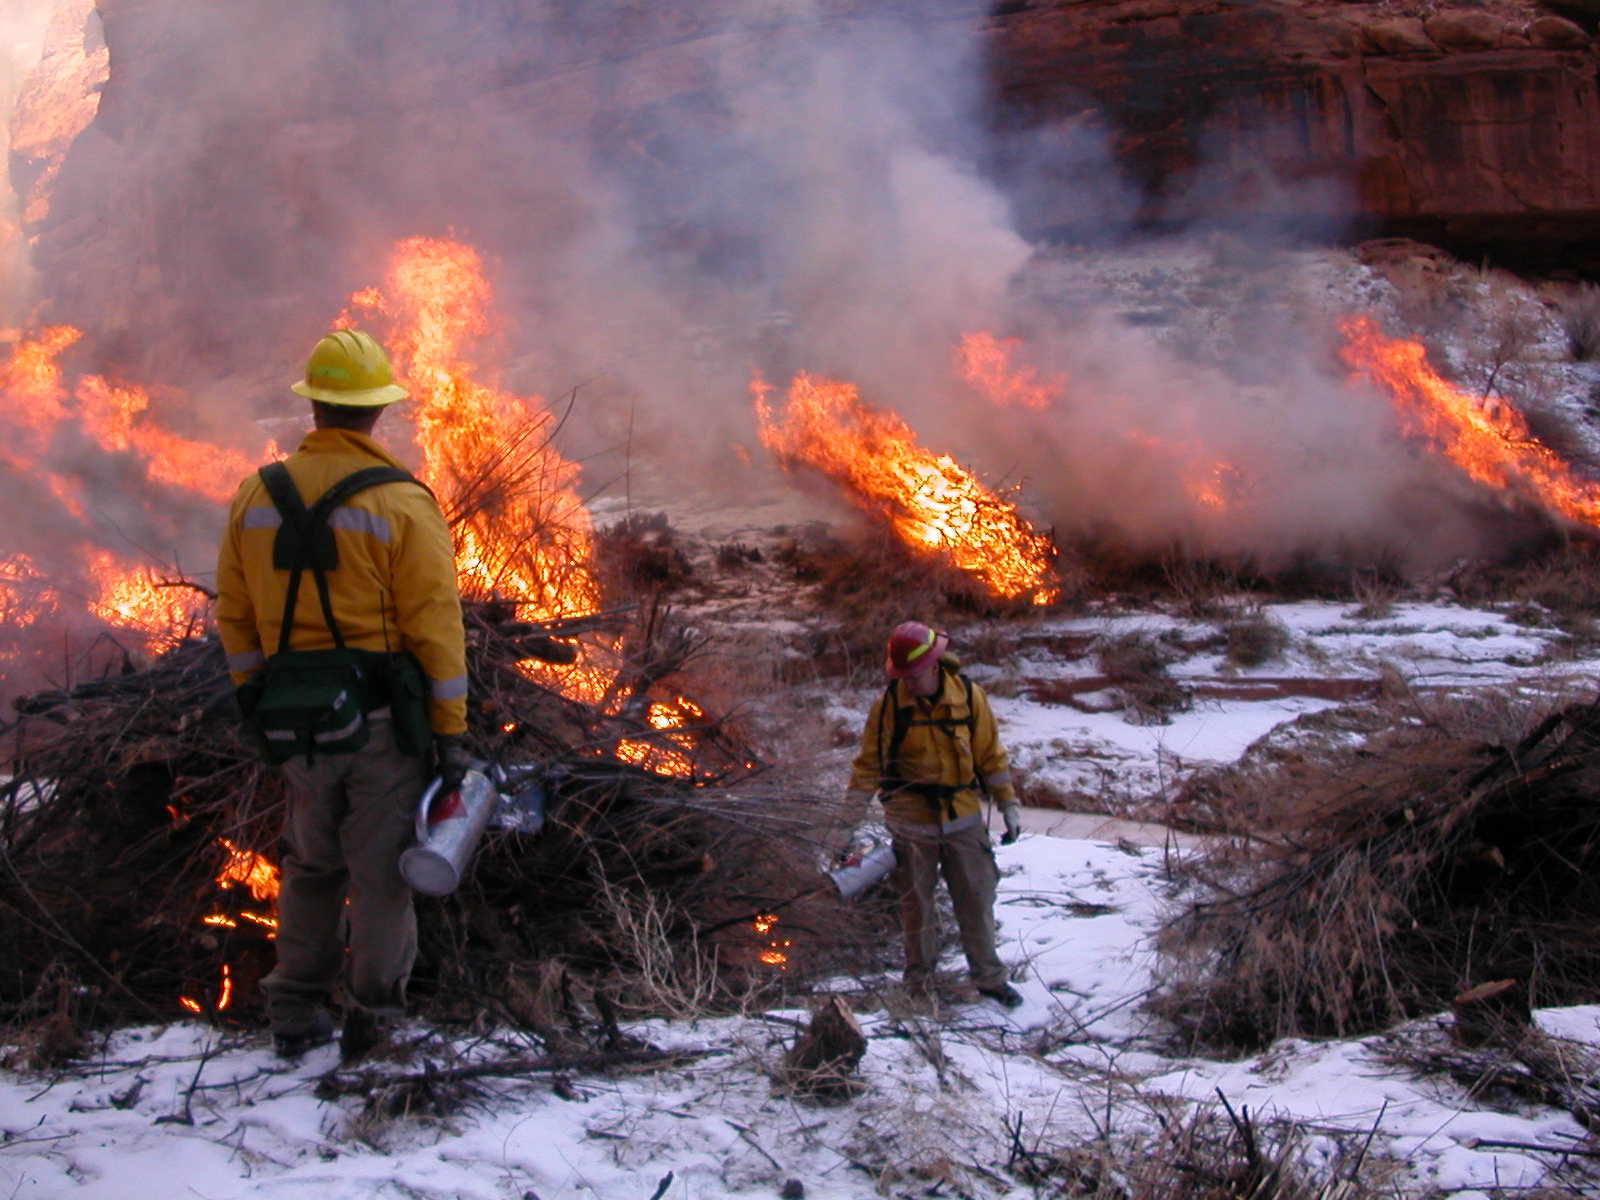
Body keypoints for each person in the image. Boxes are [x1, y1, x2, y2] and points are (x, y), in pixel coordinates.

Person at [215, 329, 471, 1060]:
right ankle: (373, 1020)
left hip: (294, 725)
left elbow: (233, 615)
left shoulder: (253, 495)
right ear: (376, 413)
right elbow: (435, 629)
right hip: (382, 730)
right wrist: (449, 730)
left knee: (310, 864)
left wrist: (252, 700)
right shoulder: (399, 502)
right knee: (384, 875)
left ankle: (293, 1010)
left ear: (316, 408)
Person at [846, 621, 1024, 1008]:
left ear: (933, 665)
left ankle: (990, 979)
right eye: (902, 675)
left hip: (961, 816)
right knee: (917, 906)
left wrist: (1007, 803)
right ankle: (918, 984)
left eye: (912, 674)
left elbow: (991, 756)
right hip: (910, 820)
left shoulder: (969, 698)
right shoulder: (890, 705)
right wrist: (844, 823)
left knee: (976, 899)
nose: (907, 681)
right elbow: (867, 767)